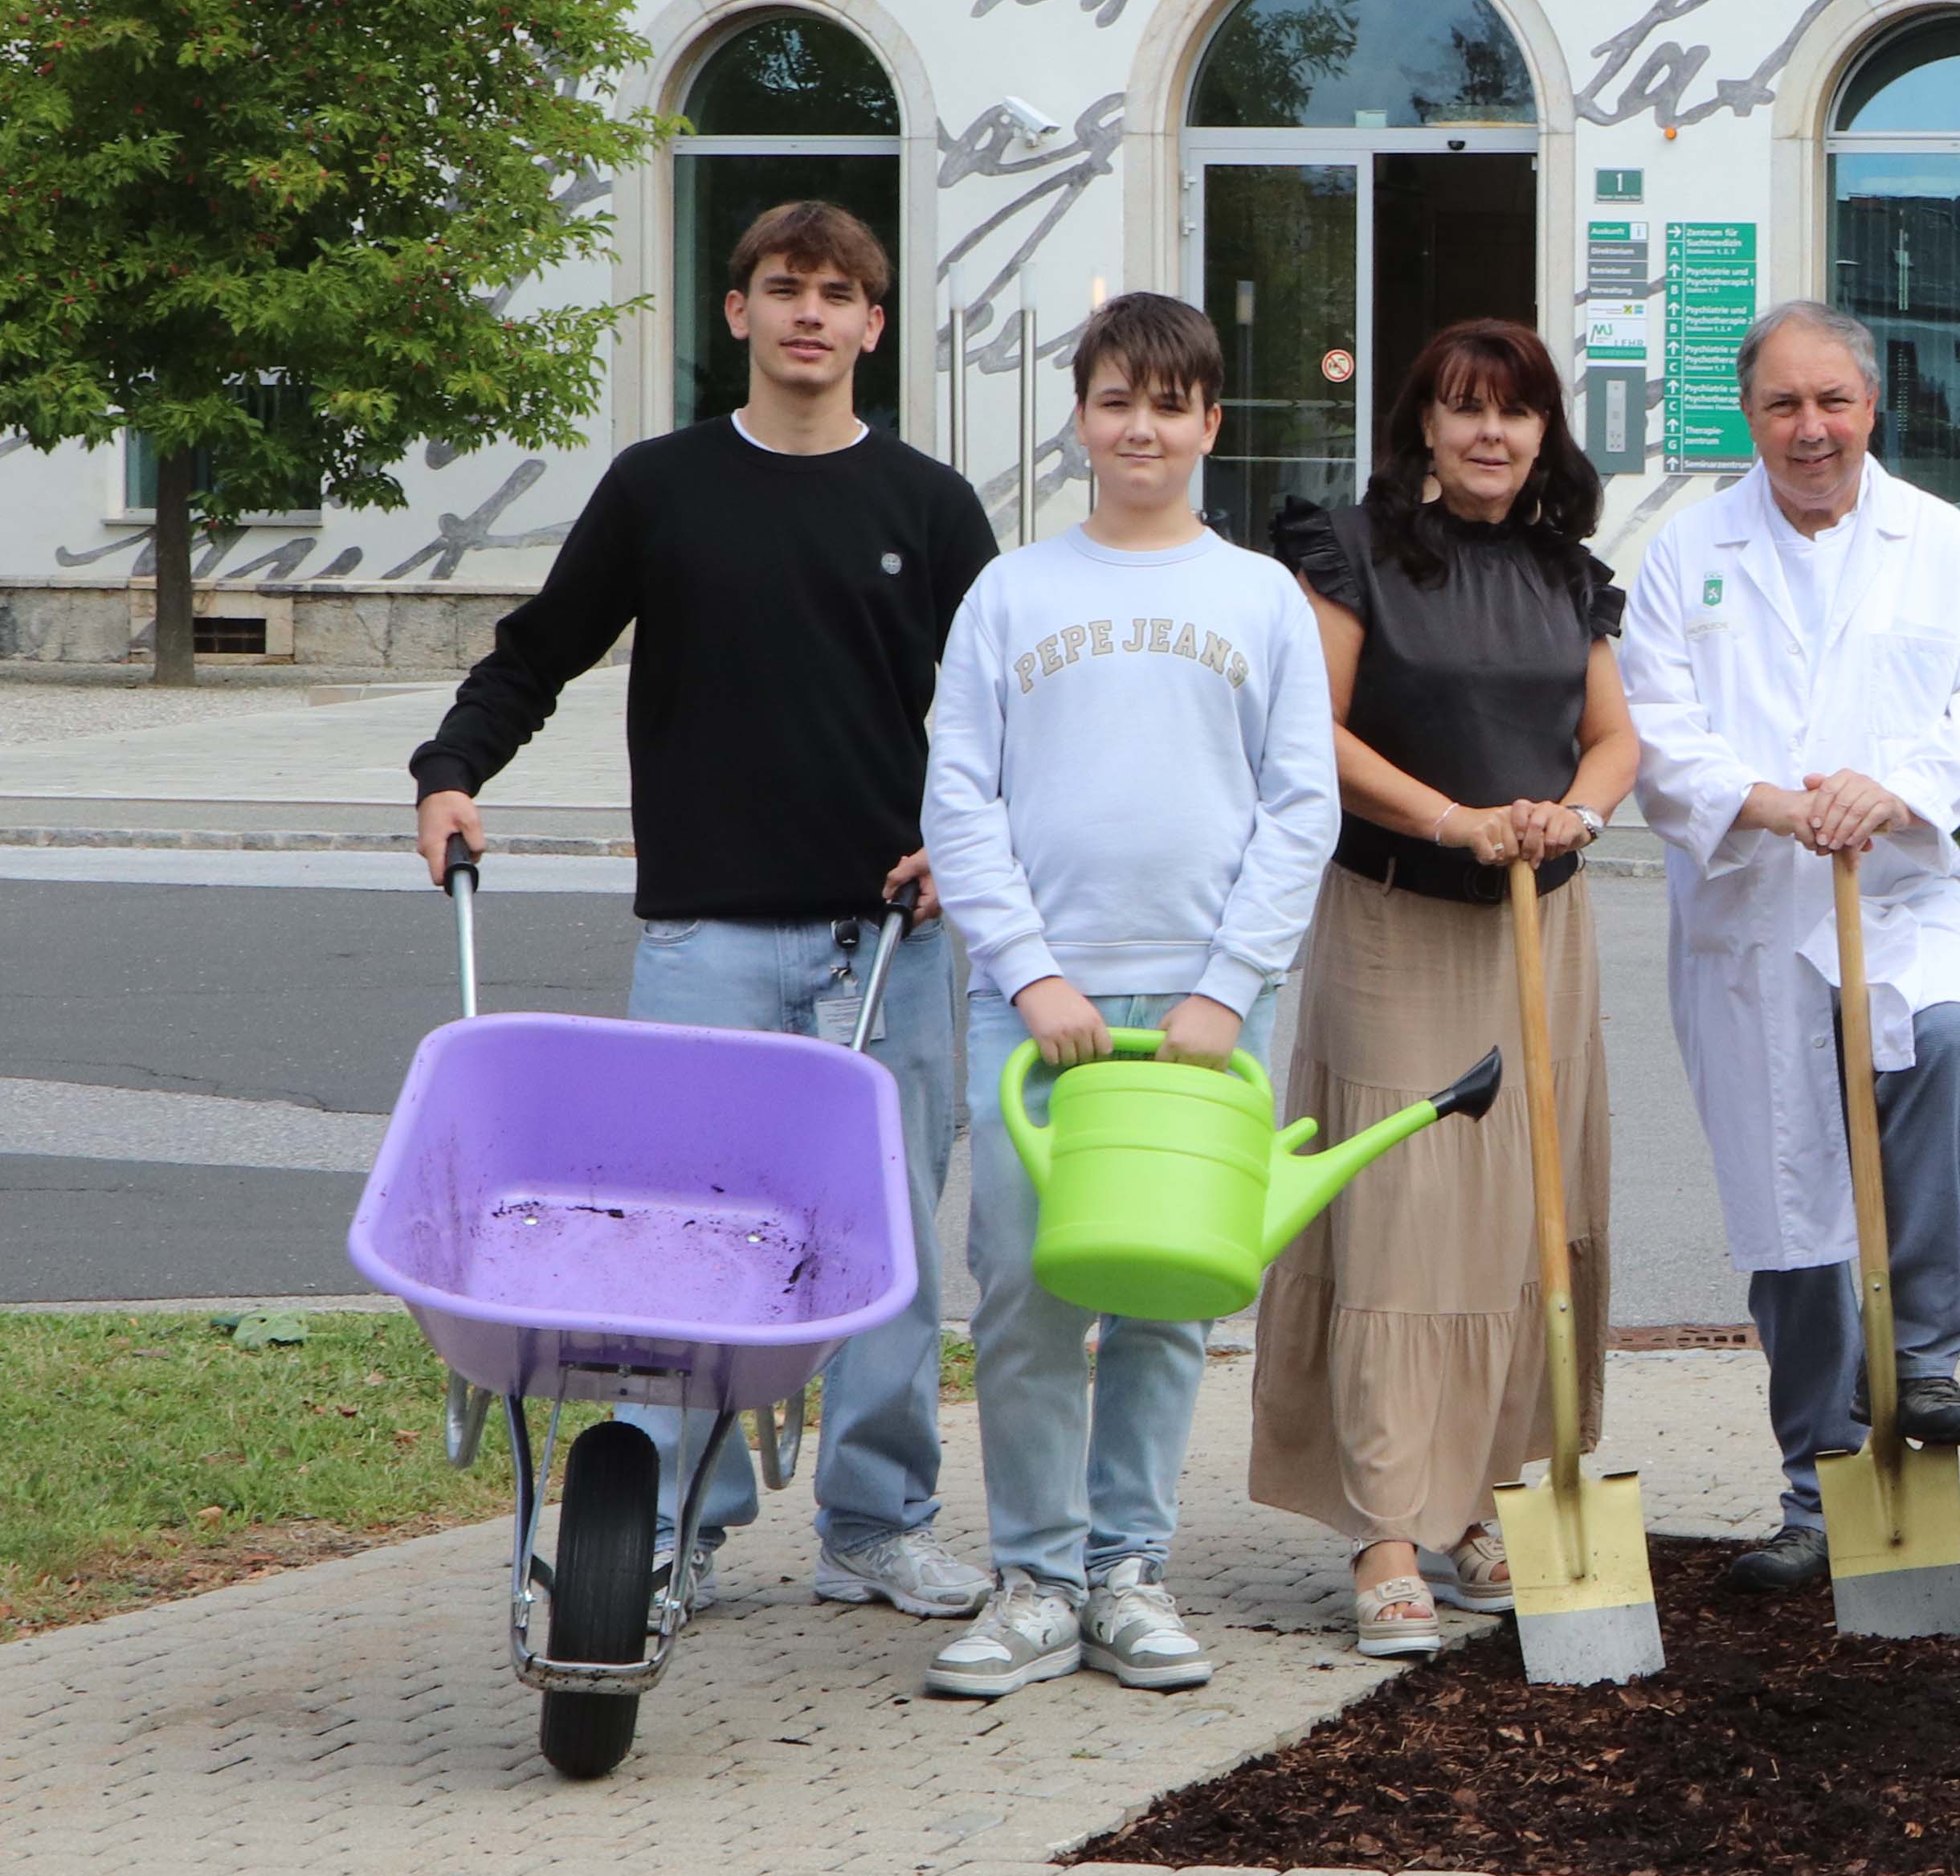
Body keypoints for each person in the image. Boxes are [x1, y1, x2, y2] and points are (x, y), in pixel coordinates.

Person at [409, 199, 997, 1621]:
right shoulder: (661, 487)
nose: (809, 313)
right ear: (734, 314)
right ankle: (670, 1530)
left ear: (872, 324)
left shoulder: (929, 507)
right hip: (705, 944)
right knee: (678, 1256)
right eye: (781, 288)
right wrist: (448, 773)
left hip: (891, 947)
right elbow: (539, 651)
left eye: (837, 293)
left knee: (887, 1250)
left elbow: (998, 718)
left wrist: (962, 848)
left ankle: (875, 1523)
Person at [914, 292, 1339, 1698]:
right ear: (1081, 420)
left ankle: (1126, 1572)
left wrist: (1228, 988)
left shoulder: (1257, 596)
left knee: (1164, 1297)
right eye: (1115, 402)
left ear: (1211, 424)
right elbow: (959, 799)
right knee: (1030, 1286)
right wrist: (1031, 975)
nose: (1141, 428)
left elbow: (1300, 807)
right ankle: (1035, 1575)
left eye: (1170, 404)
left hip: (1201, 1013)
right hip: (1040, 1015)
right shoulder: (1013, 594)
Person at [1622, 302, 1960, 1593]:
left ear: (1873, 408)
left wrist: (1891, 787)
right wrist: (1769, 801)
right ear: (1749, 418)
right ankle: (1817, 1490)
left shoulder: (1946, 547)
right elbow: (1659, 731)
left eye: (1834, 403)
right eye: (1785, 406)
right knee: (1792, 1215)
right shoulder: (1684, 554)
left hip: (1899, 893)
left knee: (1949, 1043)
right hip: (1752, 915)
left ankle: (1920, 1348)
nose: (1812, 430)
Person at [1254, 321, 1641, 1656]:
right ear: (1421, 423)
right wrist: (1455, 821)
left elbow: (1613, 737)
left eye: (1517, 414)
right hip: (1398, 915)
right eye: (1465, 410)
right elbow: (1317, 731)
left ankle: (1485, 1501)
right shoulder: (1347, 554)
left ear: (1545, 433)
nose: (1492, 435)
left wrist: (1571, 820)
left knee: (1527, 1216)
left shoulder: (1566, 571)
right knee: (1401, 1219)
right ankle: (1381, 1531)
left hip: (1542, 923)